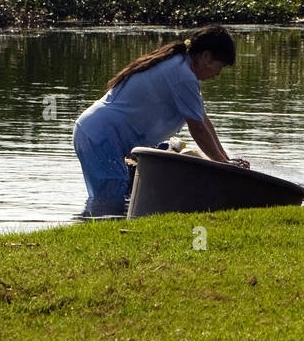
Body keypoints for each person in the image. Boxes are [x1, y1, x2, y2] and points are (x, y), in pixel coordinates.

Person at [73, 24, 249, 216]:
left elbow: (202, 119)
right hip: (101, 134)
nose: (217, 74)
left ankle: (104, 231)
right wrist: (223, 165)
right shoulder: (182, 75)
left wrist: (224, 159)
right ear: (206, 57)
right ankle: (100, 236)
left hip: (98, 132)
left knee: (117, 196)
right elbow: (197, 128)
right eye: (219, 66)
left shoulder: (182, 68)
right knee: (110, 201)